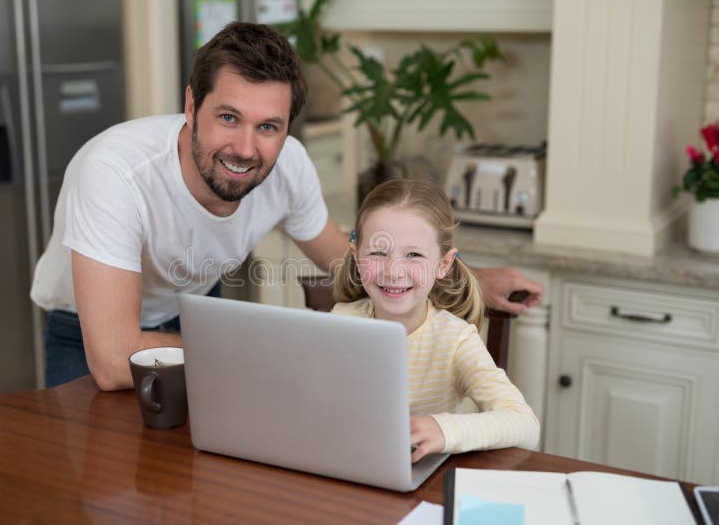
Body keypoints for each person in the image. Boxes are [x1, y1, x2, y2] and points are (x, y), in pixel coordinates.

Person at [31, 22, 543, 391]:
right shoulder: (115, 172)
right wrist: (267, 348)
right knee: (101, 492)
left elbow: (344, 261)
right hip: (87, 333)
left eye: (268, 126)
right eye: (228, 117)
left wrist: (469, 279)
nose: (246, 148)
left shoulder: (288, 166)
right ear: (191, 105)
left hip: (191, 311)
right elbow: (115, 358)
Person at [331, 179, 540, 463]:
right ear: (357, 257)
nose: (394, 271)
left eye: (414, 254)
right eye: (378, 253)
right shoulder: (340, 324)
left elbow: (525, 425)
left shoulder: (455, 340)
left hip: (428, 484)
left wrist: (443, 429)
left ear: (443, 264)